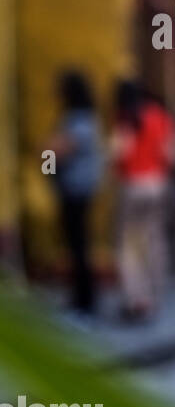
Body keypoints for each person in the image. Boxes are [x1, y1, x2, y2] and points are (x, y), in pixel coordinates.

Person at [111, 80, 175, 321]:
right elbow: (173, 154)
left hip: (133, 185)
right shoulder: (160, 116)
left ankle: (136, 300)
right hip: (158, 184)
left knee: (129, 247)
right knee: (155, 240)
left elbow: (120, 152)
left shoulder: (126, 118)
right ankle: (155, 295)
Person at [47, 70, 103, 315]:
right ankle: (81, 297)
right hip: (81, 188)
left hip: (76, 189)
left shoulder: (79, 119)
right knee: (78, 244)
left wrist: (45, 156)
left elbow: (59, 150)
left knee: (78, 244)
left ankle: (85, 301)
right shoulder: (86, 118)